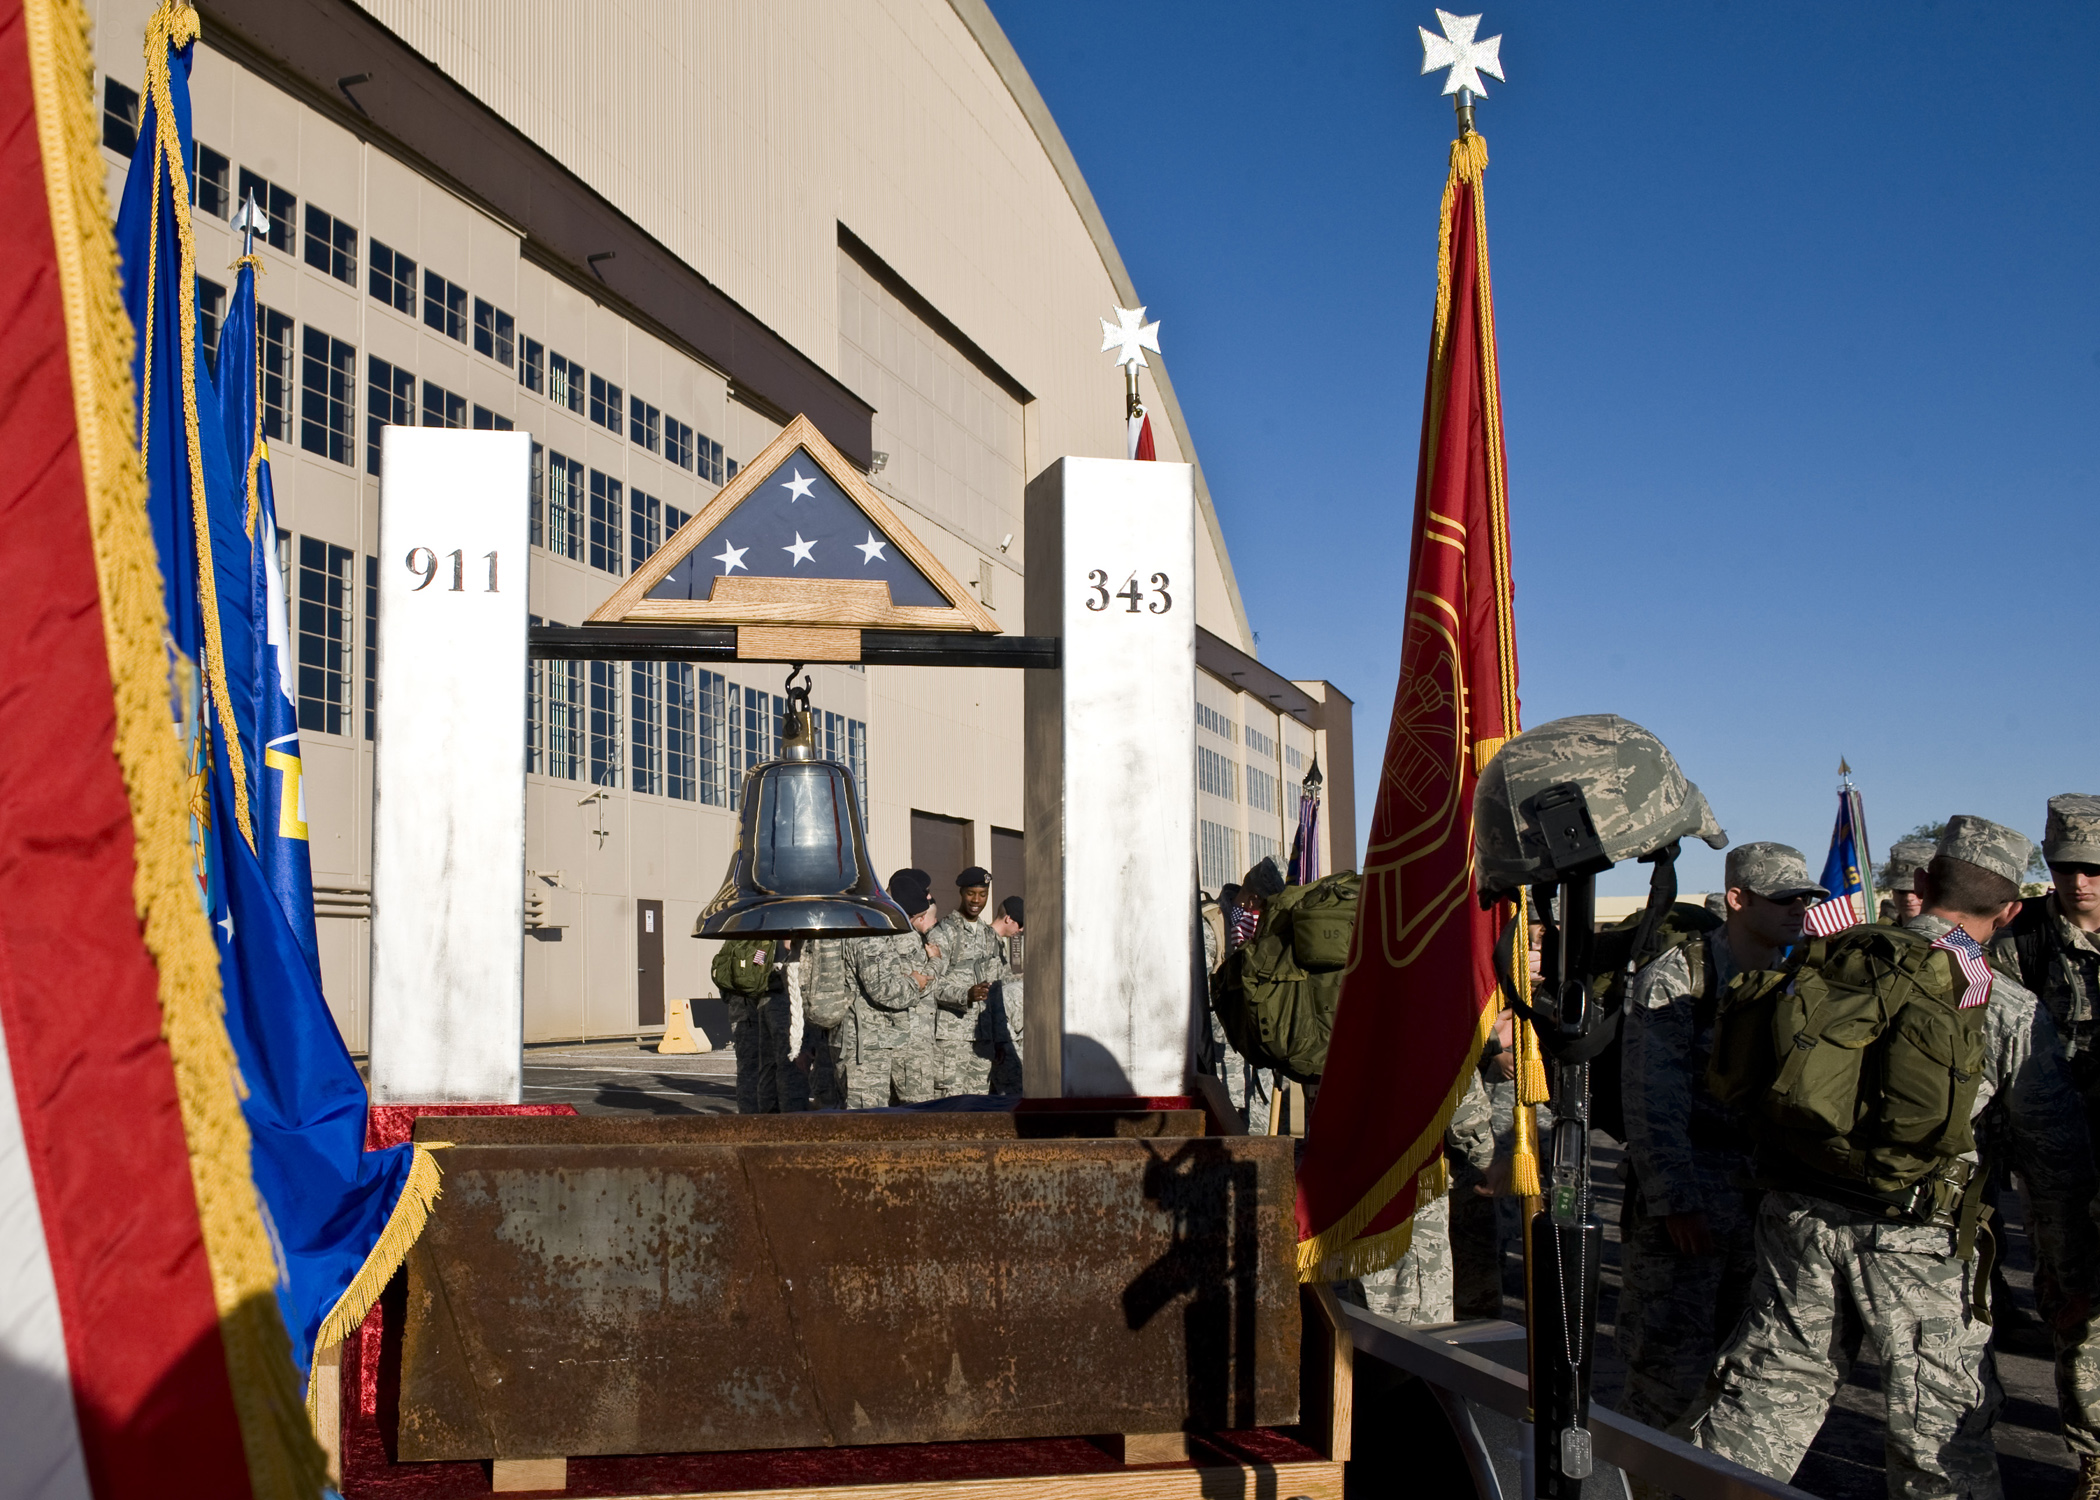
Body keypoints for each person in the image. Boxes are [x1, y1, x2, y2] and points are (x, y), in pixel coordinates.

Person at [1689, 816, 2100, 1499]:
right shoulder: (2000, 1001)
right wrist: (2069, 1274)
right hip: (1918, 1240)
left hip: (1797, 1217)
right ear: (2009, 911)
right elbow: (2055, 1163)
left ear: (1922, 883)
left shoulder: (1831, 958)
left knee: (1763, 1397)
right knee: (1938, 1437)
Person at [1616, 842, 1824, 1433]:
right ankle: (1637, 1476)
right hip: (1696, 1194)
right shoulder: (1679, 977)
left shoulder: (1805, 976)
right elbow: (1652, 1102)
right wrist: (1675, 1201)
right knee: (1666, 1373)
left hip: (1771, 1197)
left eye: (1805, 899)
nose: (1798, 909)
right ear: (1738, 898)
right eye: (1783, 898)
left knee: (1748, 1376)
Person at [1990, 793, 2100, 1494]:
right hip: (2058, 1159)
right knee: (2075, 1306)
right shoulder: (2021, 939)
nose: (2079, 881)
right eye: (2065, 867)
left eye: (2094, 868)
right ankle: (2095, 1456)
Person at [1337, 1068, 1499, 1325]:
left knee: (1372, 1308)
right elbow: (1459, 1095)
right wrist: (1488, 1160)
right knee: (1413, 1320)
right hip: (1408, 1184)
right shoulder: (1421, 1037)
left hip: (1357, 1174)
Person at [836, 870, 942, 1108]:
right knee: (867, 1121)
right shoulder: (874, 931)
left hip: (881, 1042)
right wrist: (931, 968)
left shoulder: (877, 926)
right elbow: (887, 990)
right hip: (867, 1044)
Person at [928, 867, 1008, 1095]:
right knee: (948, 1103)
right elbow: (931, 983)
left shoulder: (990, 936)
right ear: (962, 893)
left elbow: (998, 989)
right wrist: (965, 995)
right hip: (952, 1038)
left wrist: (1000, 1038)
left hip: (983, 1039)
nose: (976, 900)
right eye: (971, 893)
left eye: (983, 894)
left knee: (979, 1104)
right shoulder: (943, 933)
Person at [716, 938, 809, 1114]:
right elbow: (786, 948)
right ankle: (777, 1118)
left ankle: (755, 1119)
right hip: (763, 1003)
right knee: (781, 1065)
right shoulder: (774, 934)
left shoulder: (746, 933)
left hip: (745, 1006)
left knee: (757, 1069)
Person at [990, 897, 1025, 1092]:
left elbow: (1000, 981)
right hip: (990, 1028)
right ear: (1008, 919)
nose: (1021, 929)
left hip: (997, 1025)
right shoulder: (985, 942)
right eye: (1020, 923)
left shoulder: (998, 945)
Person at [1880, 838, 1935, 924]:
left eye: (1916, 890)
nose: (1908, 898)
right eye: (1901, 891)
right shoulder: (1882, 930)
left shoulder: (1952, 931)